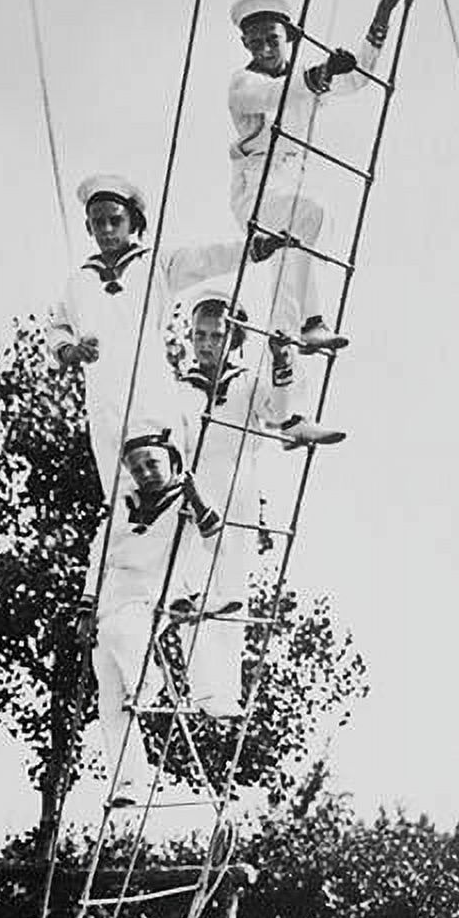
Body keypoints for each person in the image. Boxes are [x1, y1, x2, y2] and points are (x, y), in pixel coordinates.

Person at [46, 173, 283, 503]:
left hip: (149, 392)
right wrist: (70, 351)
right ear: (88, 227)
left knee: (168, 483)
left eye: (116, 221)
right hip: (104, 399)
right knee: (122, 497)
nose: (107, 231)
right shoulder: (78, 283)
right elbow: (57, 328)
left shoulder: (155, 263)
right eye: (97, 223)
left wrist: (253, 249)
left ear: (133, 222)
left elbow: (205, 258)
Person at [172, 289, 346, 720]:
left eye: (216, 335)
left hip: (238, 486)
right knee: (193, 590)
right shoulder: (180, 389)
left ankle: (225, 691)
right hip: (192, 490)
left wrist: (281, 360)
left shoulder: (247, 382)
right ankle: (203, 690)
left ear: (232, 339)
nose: (207, 343)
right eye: (200, 336)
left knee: (232, 590)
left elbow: (278, 408)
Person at [227, 0, 407, 353]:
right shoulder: (243, 82)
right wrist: (318, 73)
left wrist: (383, 13)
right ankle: (307, 324)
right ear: (245, 44)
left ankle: (289, 336)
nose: (264, 49)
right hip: (256, 190)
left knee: (295, 247)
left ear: (287, 37)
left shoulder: (306, 77)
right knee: (312, 215)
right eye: (255, 42)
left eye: (272, 40)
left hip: (290, 184)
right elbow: (269, 94)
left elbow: (357, 79)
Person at [81, 429, 222, 807]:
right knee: (109, 697)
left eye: (153, 464)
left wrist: (195, 495)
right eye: (137, 467)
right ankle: (129, 781)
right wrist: (87, 605)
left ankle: (148, 680)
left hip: (156, 591)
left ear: (173, 463)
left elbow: (215, 538)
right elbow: (99, 556)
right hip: (114, 593)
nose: (145, 472)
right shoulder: (123, 505)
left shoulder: (185, 501)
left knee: (118, 631)